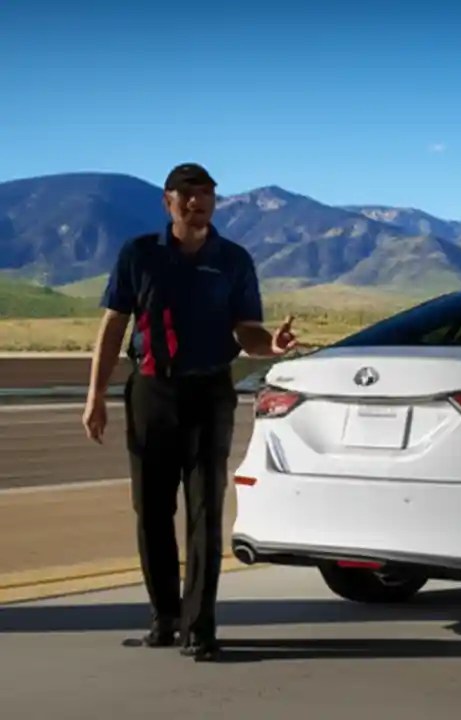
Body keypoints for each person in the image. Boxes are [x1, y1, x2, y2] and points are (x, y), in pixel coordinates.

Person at [81, 162, 298, 661]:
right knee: (152, 511)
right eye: (187, 195)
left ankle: (200, 627)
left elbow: (246, 330)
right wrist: (94, 396)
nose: (197, 203)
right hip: (151, 392)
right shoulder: (139, 255)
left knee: (205, 511)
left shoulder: (234, 260)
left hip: (208, 395)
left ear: (214, 202)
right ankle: (165, 618)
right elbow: (114, 326)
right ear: (168, 202)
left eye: (206, 195)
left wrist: (272, 345)